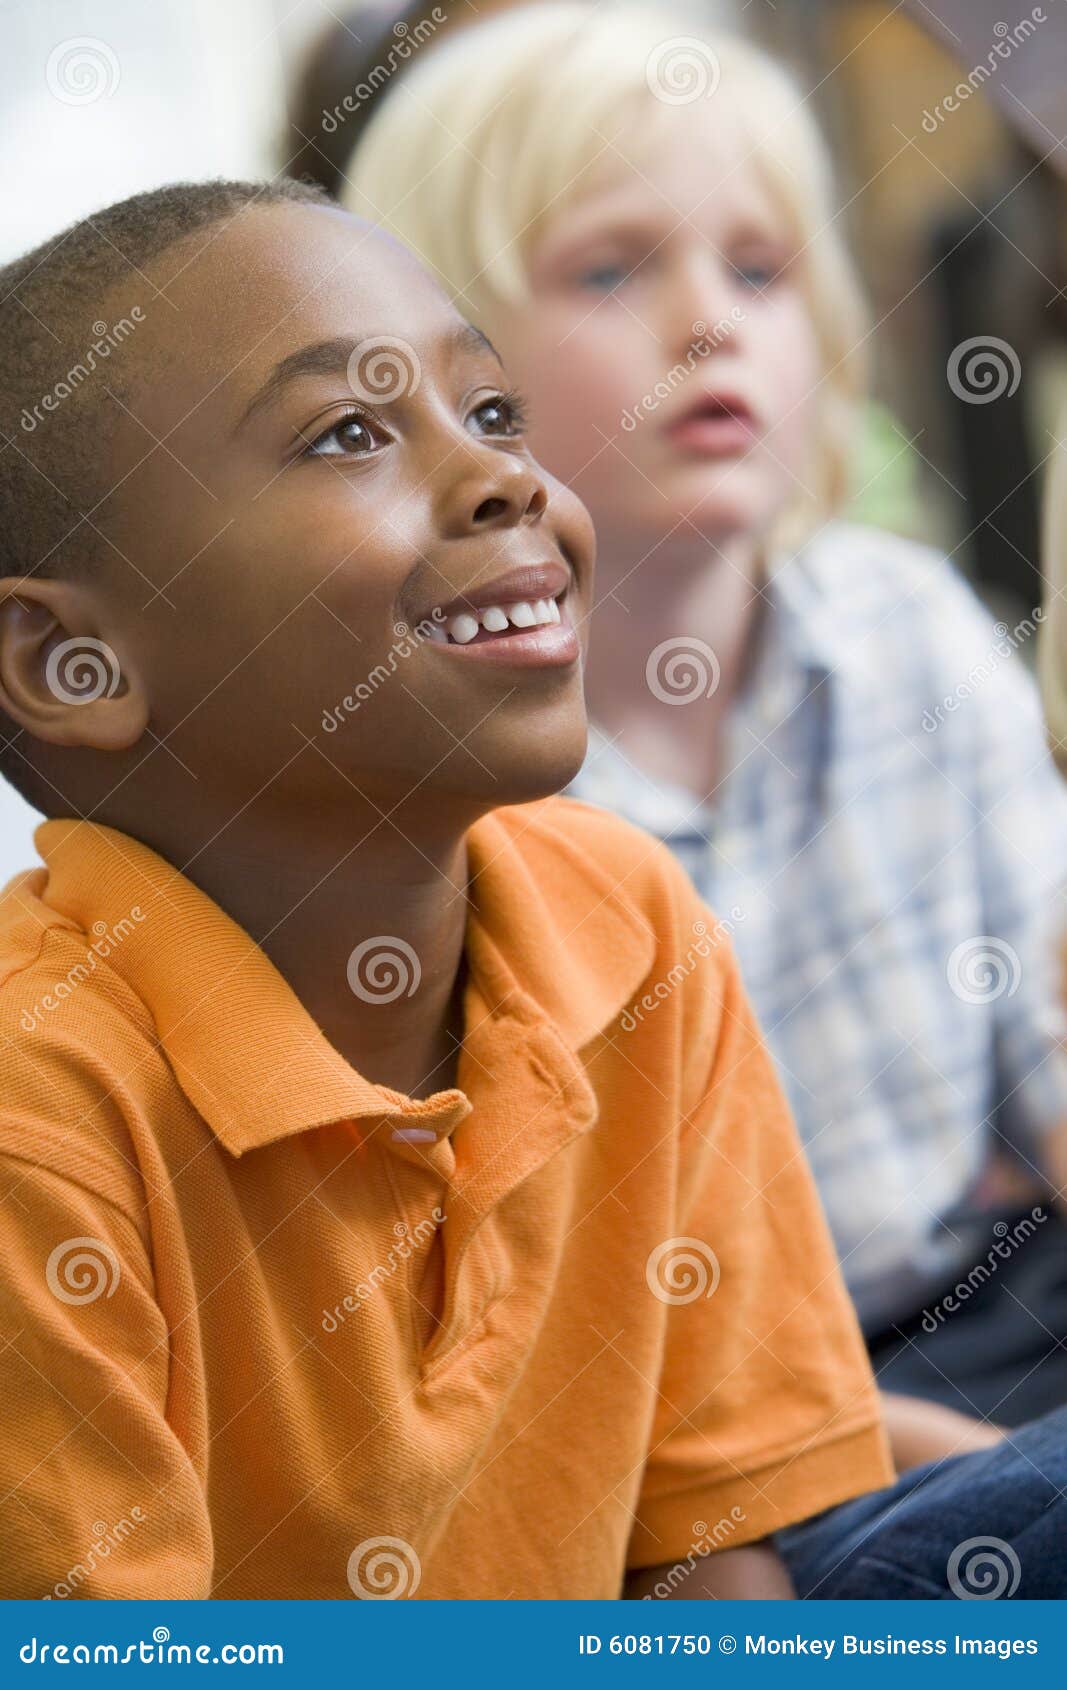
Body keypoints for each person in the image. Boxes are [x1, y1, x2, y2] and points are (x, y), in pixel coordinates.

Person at [0, 177, 897, 1599]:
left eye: (493, 412)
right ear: (72, 664)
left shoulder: (627, 921)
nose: (506, 480)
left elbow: (716, 1555)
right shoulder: (37, 1121)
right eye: (348, 433)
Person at [337, 0, 1067, 1435]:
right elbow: (569, 1349)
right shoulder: (438, 801)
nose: (710, 324)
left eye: (761, 268)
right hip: (698, 1428)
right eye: (611, 269)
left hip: (999, 1302)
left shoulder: (914, 630)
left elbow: (1050, 1051)